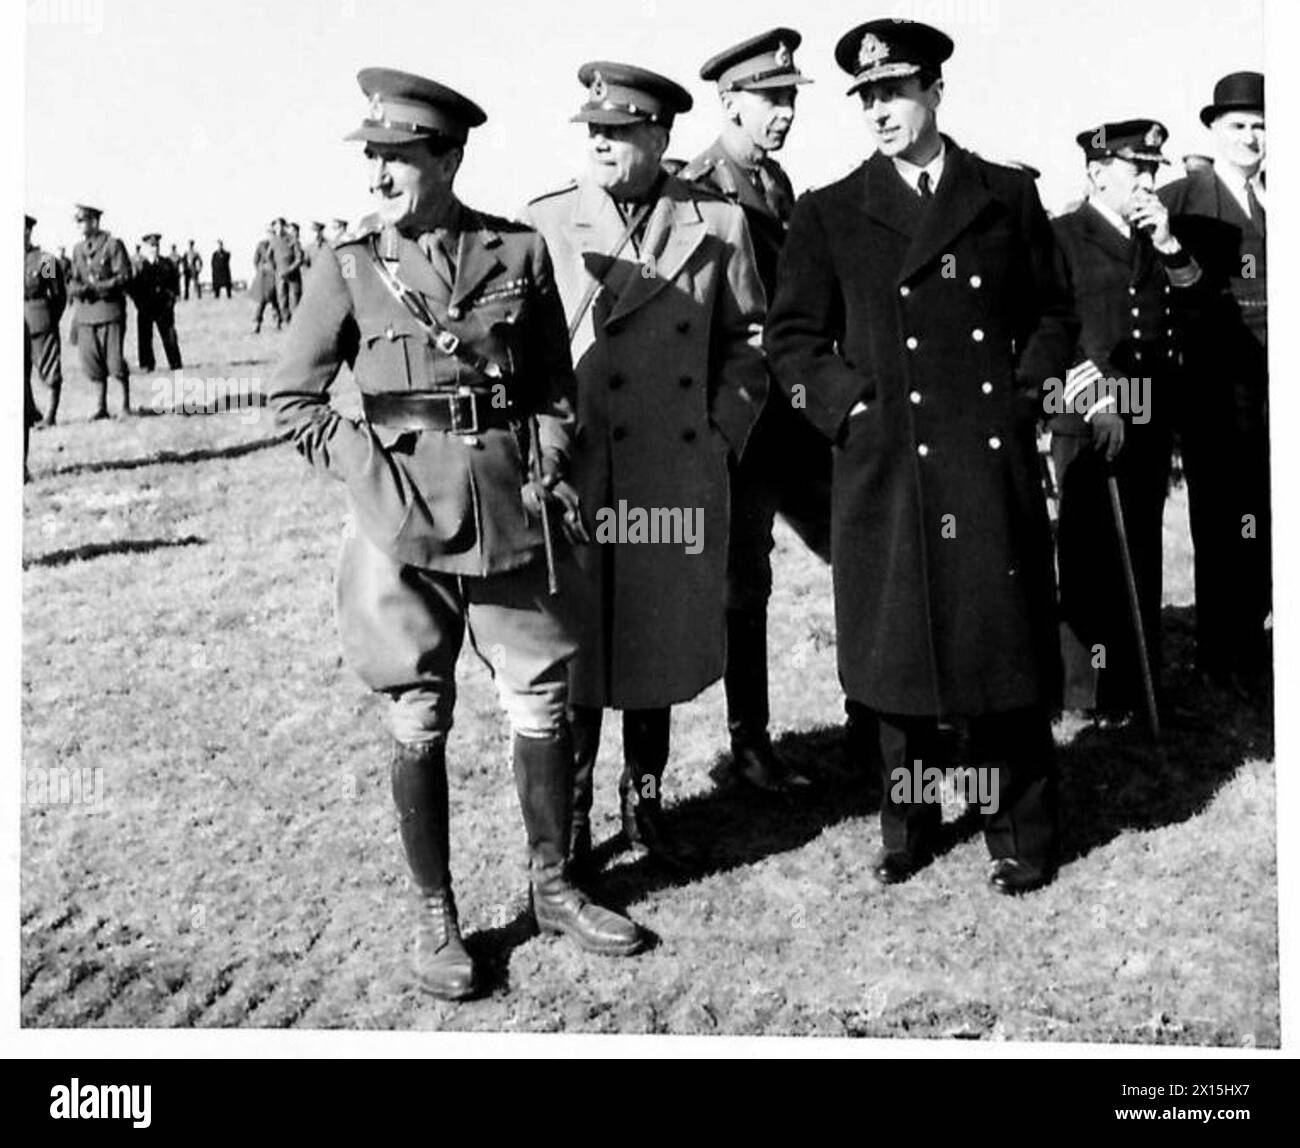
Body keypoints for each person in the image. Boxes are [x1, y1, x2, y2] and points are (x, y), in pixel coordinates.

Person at [267, 67, 643, 1000]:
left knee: (542, 703)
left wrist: (551, 457)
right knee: (417, 712)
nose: (380, 177)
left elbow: (555, 381)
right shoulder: (348, 265)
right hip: (401, 527)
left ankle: (555, 885)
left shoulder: (515, 252)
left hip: (510, 509)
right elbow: (293, 399)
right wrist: (369, 476)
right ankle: (439, 919)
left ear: (450, 155)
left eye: (399, 158)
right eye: (374, 159)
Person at [765, 19, 1077, 894]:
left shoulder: (1003, 194)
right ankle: (909, 817)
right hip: (889, 465)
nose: (879, 110)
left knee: (1003, 644)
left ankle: (1021, 825)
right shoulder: (829, 210)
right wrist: (850, 409)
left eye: (895, 91)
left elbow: (1052, 314)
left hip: (985, 461)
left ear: (936, 89)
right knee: (897, 652)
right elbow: (792, 342)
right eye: (865, 96)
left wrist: (1023, 398)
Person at [525, 61, 767, 871]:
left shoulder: (717, 224)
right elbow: (520, 357)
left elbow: (751, 341)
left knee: (656, 644)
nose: (600, 141)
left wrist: (720, 435)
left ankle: (647, 800)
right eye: (593, 130)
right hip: (582, 475)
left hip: (672, 475)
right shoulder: (547, 225)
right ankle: (576, 813)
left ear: (660, 139)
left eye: (620, 131)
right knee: (582, 646)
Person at [676, 27, 827, 793]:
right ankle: (750, 743)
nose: (784, 114)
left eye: (790, 100)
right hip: (743, 422)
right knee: (745, 581)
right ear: (731, 101)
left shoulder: (776, 183)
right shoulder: (701, 186)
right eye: (771, 100)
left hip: (794, 417)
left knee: (848, 540)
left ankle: (879, 714)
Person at [1050, 121, 1202, 725]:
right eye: (1135, 168)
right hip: (1086, 413)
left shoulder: (1155, 236)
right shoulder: (1062, 236)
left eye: (1153, 170)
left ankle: (1136, 683)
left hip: (1144, 414)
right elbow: (1050, 326)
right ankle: (1087, 691)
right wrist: (1097, 400)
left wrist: (1169, 247)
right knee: (1087, 552)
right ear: (1096, 173)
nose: (1148, 181)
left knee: (1139, 547)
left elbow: (1193, 310)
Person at [1159, 72, 1269, 692]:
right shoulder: (1182, 197)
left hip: (1273, 386)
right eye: (1237, 126)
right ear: (1212, 131)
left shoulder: (1276, 197)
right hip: (1213, 387)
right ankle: (1220, 652)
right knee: (1222, 517)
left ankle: (1251, 641)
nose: (1250, 137)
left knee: (1261, 512)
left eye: (1259, 126)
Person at [69, 203, 133, 419]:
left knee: (114, 361)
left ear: (94, 222)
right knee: (91, 362)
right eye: (77, 221)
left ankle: (125, 406)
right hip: (86, 315)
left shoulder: (113, 245)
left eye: (82, 221)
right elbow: (73, 279)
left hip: (109, 311)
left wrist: (99, 288)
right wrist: (78, 289)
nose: (79, 225)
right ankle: (100, 407)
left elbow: (124, 276)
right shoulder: (77, 250)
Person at [24, 214, 67, 427]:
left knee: (49, 369)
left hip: (40, 320)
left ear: (28, 232)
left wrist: (49, 318)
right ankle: (30, 411)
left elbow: (58, 294)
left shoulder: (45, 260)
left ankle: (50, 414)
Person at [129, 232, 184, 372]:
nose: (154, 249)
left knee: (169, 336)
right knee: (144, 337)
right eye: (151, 246)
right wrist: (139, 303)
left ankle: (175, 364)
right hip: (145, 307)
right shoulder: (139, 265)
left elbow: (175, 284)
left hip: (163, 308)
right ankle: (146, 365)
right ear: (146, 248)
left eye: (156, 246)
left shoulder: (167, 264)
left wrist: (171, 300)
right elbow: (133, 288)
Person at [251, 222, 282, 332]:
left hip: (275, 276)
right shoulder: (261, 245)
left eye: (273, 232)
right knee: (262, 301)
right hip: (264, 277)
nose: (271, 234)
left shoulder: (279, 244)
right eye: (269, 232)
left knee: (276, 301)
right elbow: (255, 260)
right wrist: (261, 269)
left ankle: (279, 322)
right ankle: (257, 324)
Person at [272, 220, 304, 319]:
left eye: (281, 226)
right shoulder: (274, 241)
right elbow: (269, 256)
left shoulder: (294, 241)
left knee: (295, 300)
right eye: (277, 227)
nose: (280, 229)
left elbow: (299, 259)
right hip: (280, 275)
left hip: (293, 275)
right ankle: (287, 321)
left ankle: (296, 323)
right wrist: (276, 269)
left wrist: (289, 270)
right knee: (282, 299)